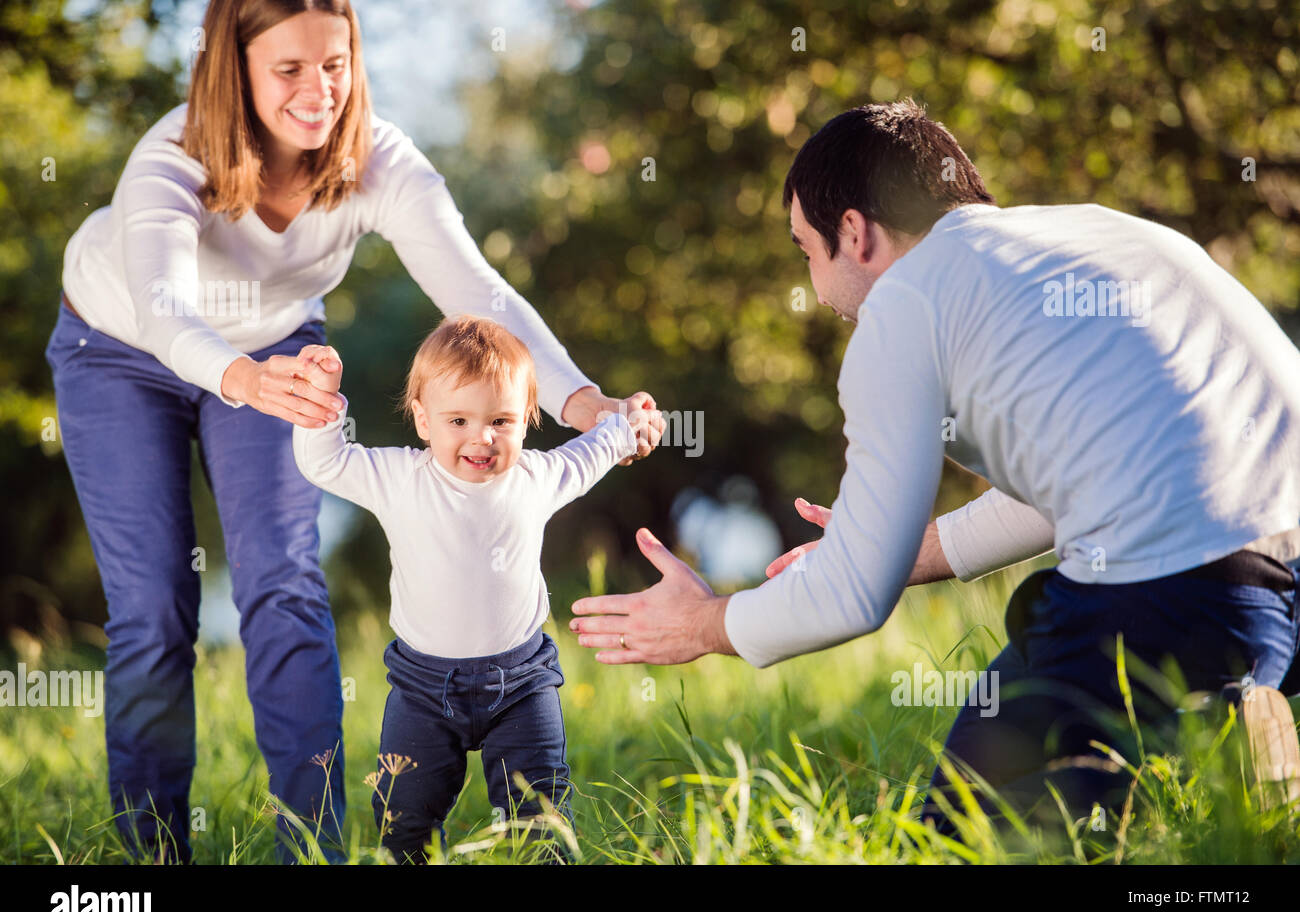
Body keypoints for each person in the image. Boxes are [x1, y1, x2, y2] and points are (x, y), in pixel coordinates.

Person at [568, 99, 1300, 830]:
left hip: (1188, 588)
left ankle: (1225, 714)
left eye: (805, 252)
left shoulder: (904, 308)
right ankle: (1234, 711)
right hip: (1270, 568)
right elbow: (1102, 474)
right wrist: (915, 551)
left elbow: (856, 595)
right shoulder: (1097, 232)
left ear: (852, 232)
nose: (818, 291)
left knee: (961, 837)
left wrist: (702, 622)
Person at [46, 0, 661, 863]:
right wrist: (241, 379)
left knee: (282, 584)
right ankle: (152, 857)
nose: (318, 89)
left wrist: (583, 403)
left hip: (277, 351)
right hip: (118, 346)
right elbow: (163, 309)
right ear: (237, 67)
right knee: (152, 607)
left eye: (334, 63)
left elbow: (479, 295)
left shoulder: (378, 160)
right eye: (288, 68)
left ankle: (317, 849)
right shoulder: (174, 157)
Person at [292, 317, 644, 863]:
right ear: (423, 419)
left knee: (541, 822)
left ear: (527, 419)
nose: (481, 437)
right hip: (422, 689)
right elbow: (325, 461)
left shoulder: (538, 476)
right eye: (458, 419)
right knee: (404, 820)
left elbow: (595, 450)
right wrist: (322, 402)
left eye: (501, 420)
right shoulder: (399, 479)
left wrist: (629, 423)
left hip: (523, 685)